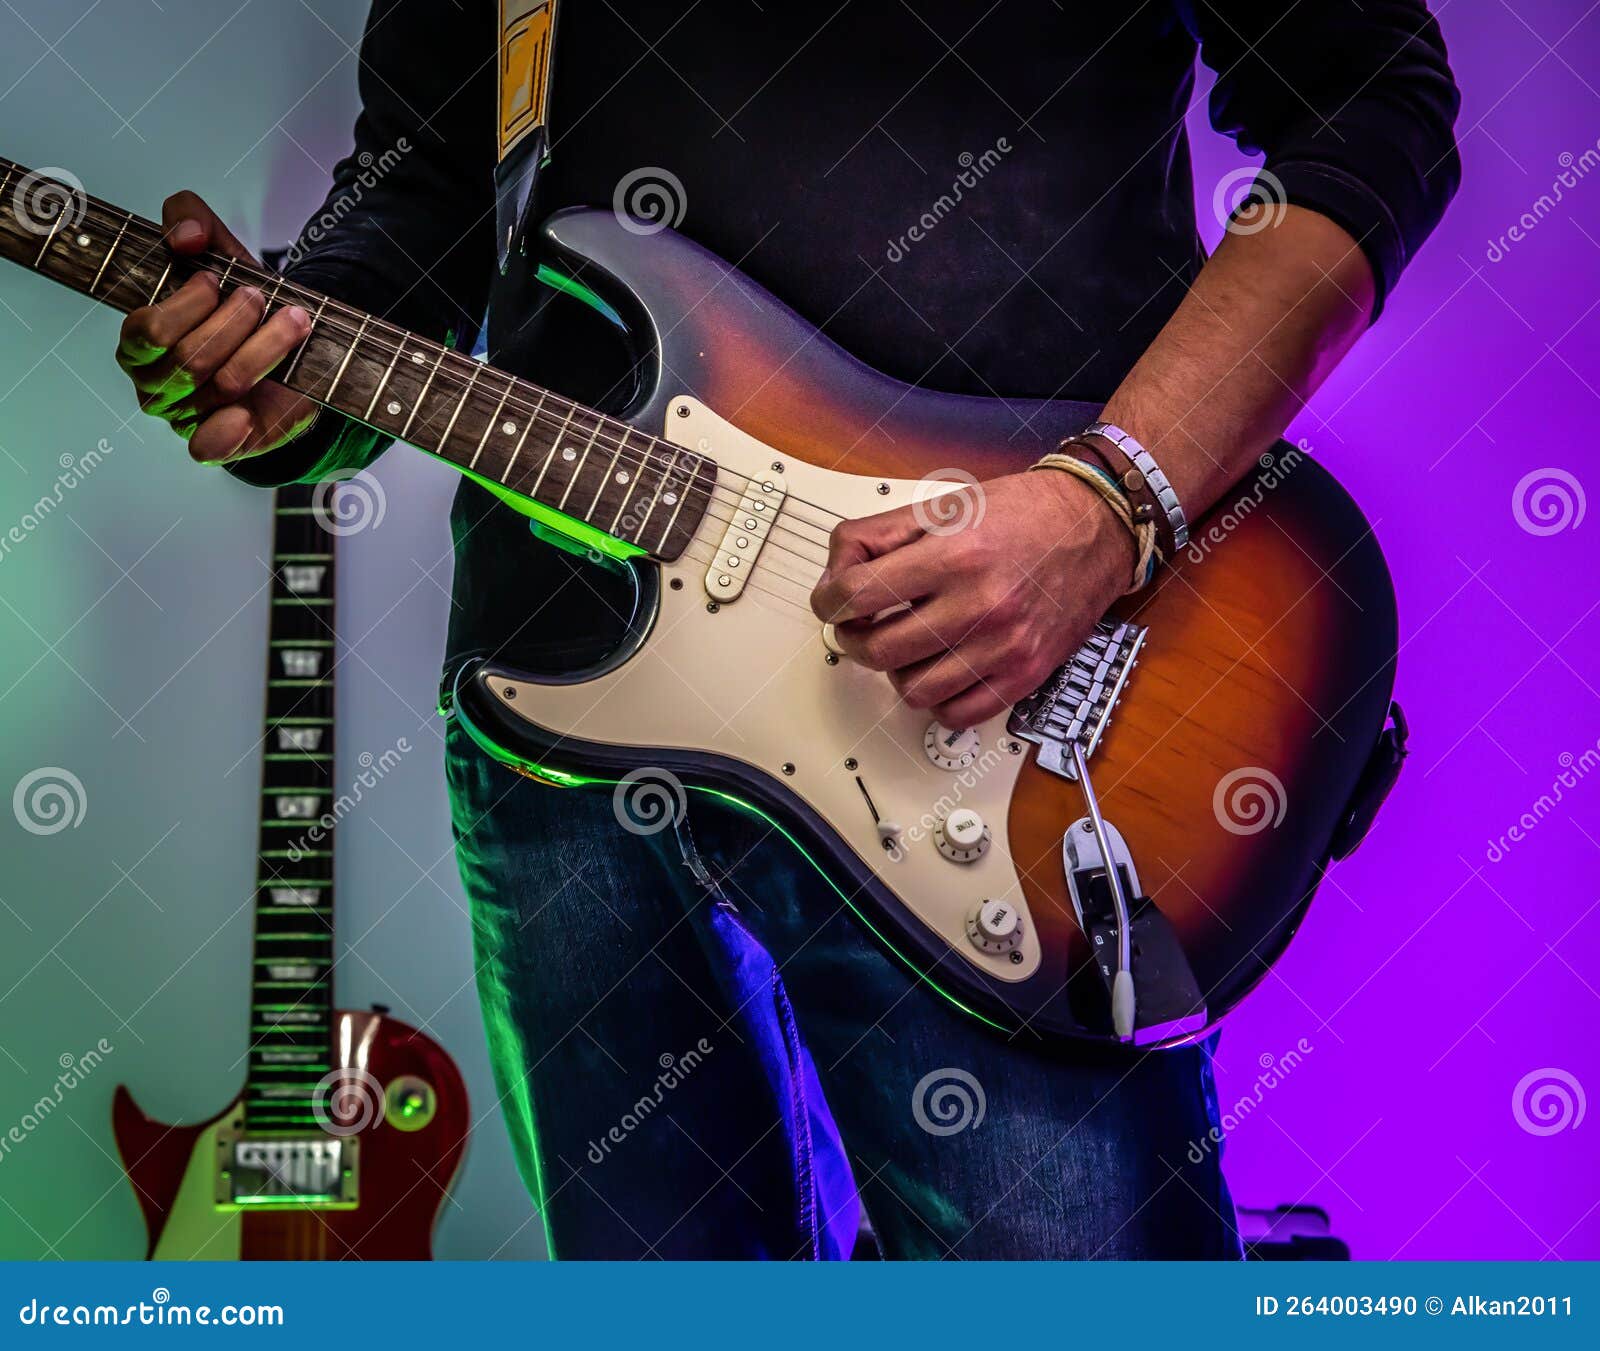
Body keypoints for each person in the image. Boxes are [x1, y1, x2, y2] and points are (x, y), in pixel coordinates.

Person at [111, 2, 1460, 1259]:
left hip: (989, 694)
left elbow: (1370, 104)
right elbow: (435, 180)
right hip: (561, 691)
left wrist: (1111, 500)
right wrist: (294, 353)